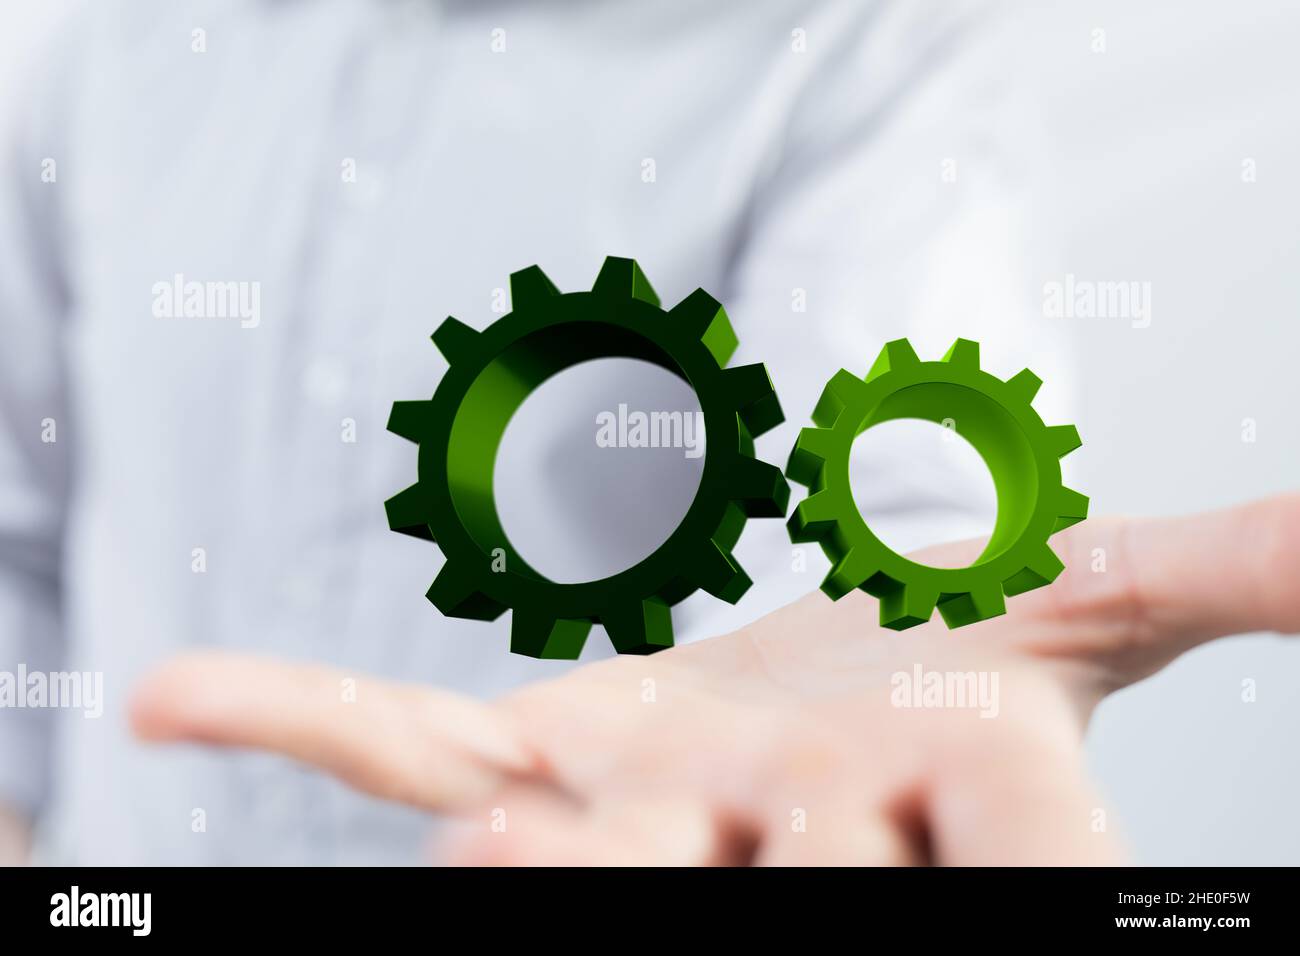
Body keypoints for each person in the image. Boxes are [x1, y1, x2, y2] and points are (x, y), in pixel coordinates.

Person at [2, 0, 1294, 866]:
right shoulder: (112, 43)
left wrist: (898, 654)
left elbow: (893, 502)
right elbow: (18, 541)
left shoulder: (857, 51)